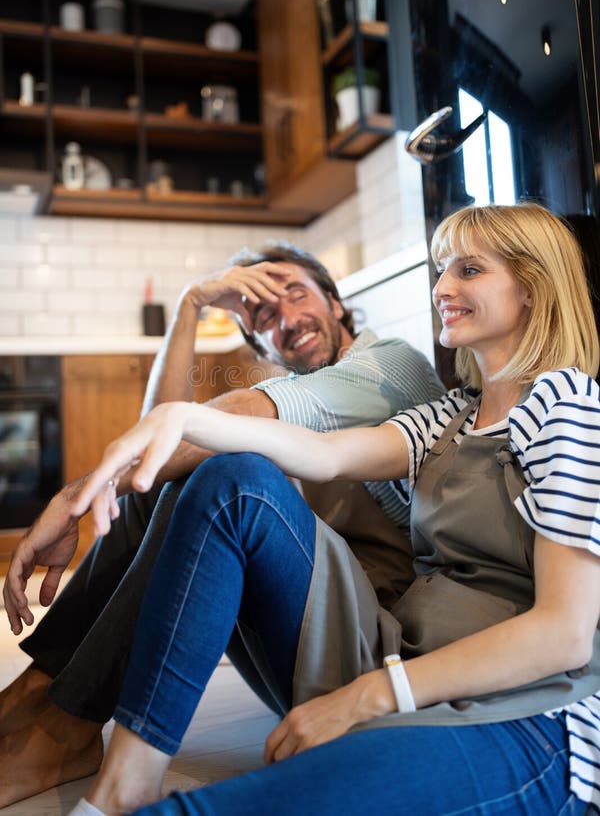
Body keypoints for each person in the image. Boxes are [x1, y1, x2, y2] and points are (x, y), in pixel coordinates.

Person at [66, 203, 600, 816]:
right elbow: (322, 454)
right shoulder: (451, 416)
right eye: (441, 270)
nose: (442, 287)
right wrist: (181, 416)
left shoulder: (567, 404)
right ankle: (123, 783)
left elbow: (565, 634)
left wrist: (371, 694)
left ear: (533, 288)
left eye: (468, 270)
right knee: (234, 477)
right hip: (402, 654)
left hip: (514, 701)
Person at [0, 242, 443, 807]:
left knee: (227, 467)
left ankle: (60, 731)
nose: (286, 320)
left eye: (296, 294)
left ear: (335, 303)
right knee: (172, 477)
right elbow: (159, 452)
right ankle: (42, 704)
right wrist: (190, 305)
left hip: (379, 652)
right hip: (305, 641)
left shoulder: (391, 365)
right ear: (259, 344)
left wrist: (76, 495)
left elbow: (204, 430)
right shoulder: (293, 395)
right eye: (264, 317)